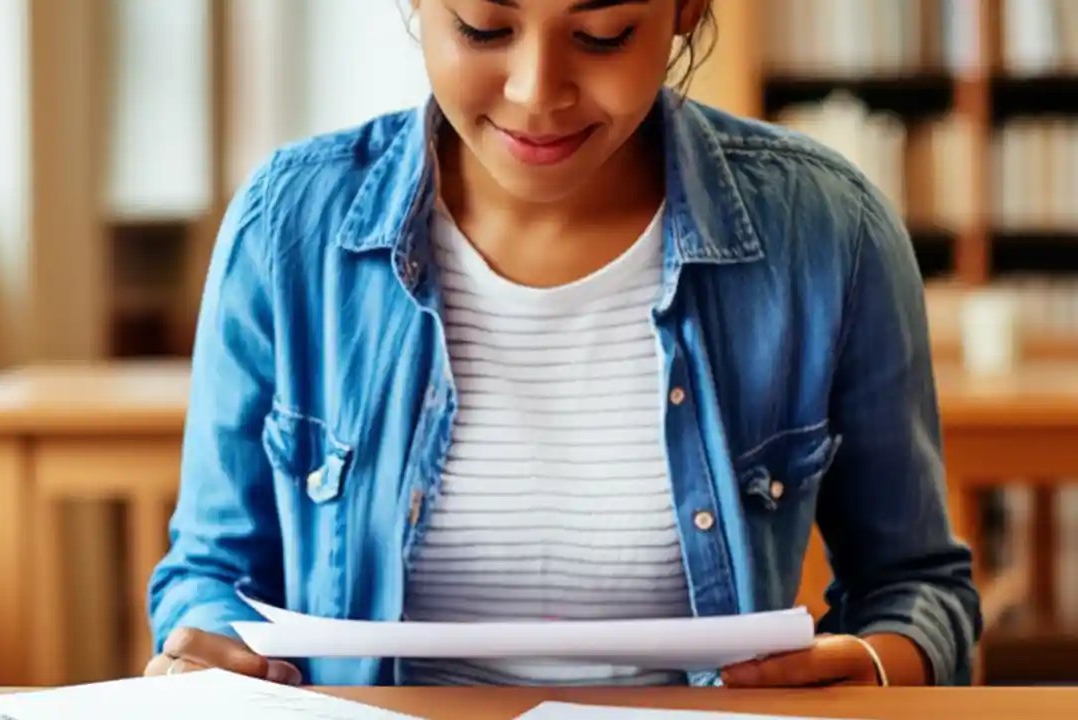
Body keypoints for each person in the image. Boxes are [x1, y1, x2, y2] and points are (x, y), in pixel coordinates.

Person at [144, 0, 981, 688]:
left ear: (686, 11)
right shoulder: (288, 227)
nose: (536, 91)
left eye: (603, 34)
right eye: (482, 27)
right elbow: (213, 571)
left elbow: (916, 585)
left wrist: (875, 663)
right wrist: (214, 657)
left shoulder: (829, 232)